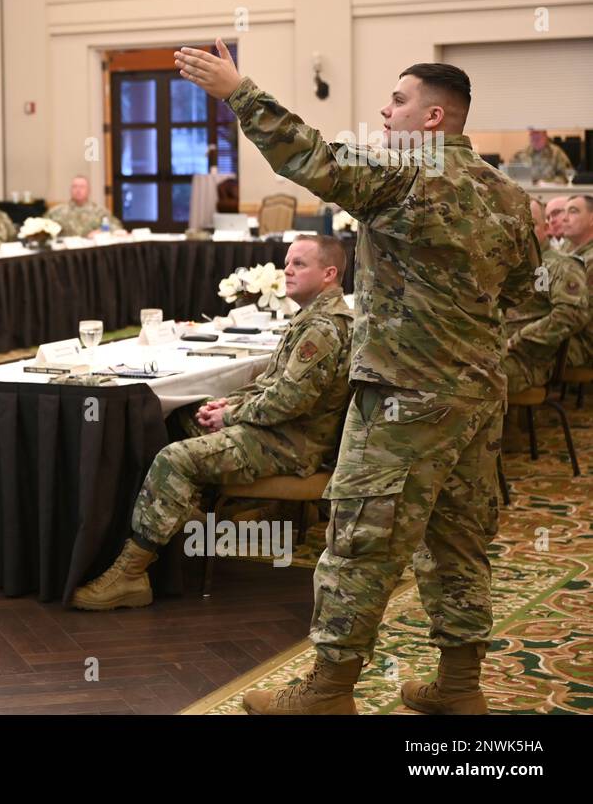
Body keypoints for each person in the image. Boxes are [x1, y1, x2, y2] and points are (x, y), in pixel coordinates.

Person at [175, 40, 536, 716]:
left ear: (434, 118)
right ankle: (460, 686)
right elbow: (520, 289)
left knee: (360, 542)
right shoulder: (511, 198)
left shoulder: (404, 179)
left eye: (397, 101)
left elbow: (309, 157)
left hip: (404, 400)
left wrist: (237, 90)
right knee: (459, 537)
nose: (384, 111)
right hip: (480, 398)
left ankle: (328, 691)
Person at [71, 235, 354, 611]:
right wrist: (228, 403)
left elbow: (289, 400)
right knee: (182, 416)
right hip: (278, 430)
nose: (287, 270)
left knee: (175, 458)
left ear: (329, 273)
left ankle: (131, 575)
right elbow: (273, 384)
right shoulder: (315, 316)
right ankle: (172, 527)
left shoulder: (323, 327)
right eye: (287, 262)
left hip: (291, 444)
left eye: (299, 264)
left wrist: (229, 415)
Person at [501, 199, 586, 396]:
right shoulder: (508, 265)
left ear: (546, 228)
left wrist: (517, 340)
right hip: (497, 350)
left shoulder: (560, 266)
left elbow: (571, 314)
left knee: (466, 380)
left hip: (527, 360)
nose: (521, 233)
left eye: (529, 226)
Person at [561, 195, 593, 370]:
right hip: (564, 332)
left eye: (573, 211)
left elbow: (576, 315)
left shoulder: (590, 261)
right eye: (564, 211)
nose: (564, 218)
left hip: (581, 340)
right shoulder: (566, 250)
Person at [44, 175, 123, 236]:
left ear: (89, 190)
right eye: (75, 187)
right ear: (70, 190)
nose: (78, 190)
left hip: (90, 253)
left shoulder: (99, 211)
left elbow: (117, 227)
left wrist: (101, 231)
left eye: (82, 187)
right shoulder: (57, 211)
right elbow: (41, 227)